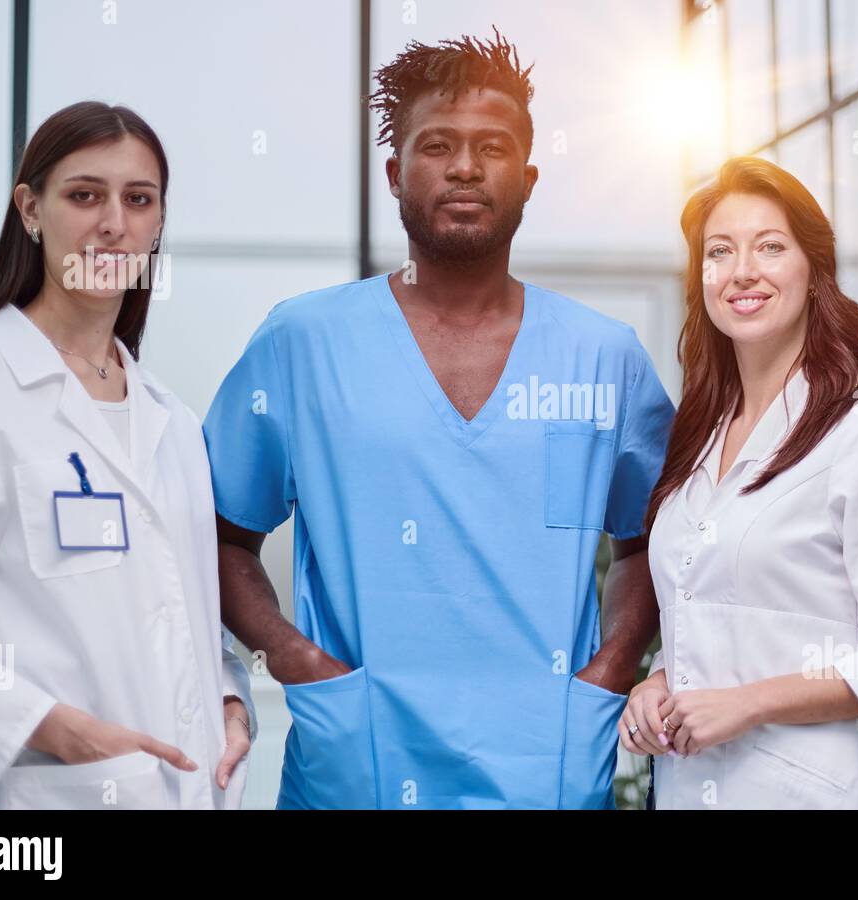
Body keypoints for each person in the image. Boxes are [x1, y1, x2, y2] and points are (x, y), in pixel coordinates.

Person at [204, 29, 675, 809]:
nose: (463, 167)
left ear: (527, 177)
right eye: (436, 146)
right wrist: (293, 660)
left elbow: (656, 539)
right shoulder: (304, 343)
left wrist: (611, 669)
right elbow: (221, 534)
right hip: (360, 769)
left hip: (547, 770)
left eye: (490, 147)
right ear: (395, 173)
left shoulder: (604, 358)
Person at [0, 101, 255, 809]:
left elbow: (185, 607)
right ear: (30, 210)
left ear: (158, 223)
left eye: (138, 199)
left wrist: (230, 699)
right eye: (84, 195)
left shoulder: (171, 420)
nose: (113, 223)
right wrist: (61, 731)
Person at [620, 157, 858, 809]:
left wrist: (751, 704)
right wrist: (663, 681)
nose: (742, 270)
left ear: (814, 275)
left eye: (770, 247)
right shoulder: (698, 442)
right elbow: (732, 618)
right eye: (719, 251)